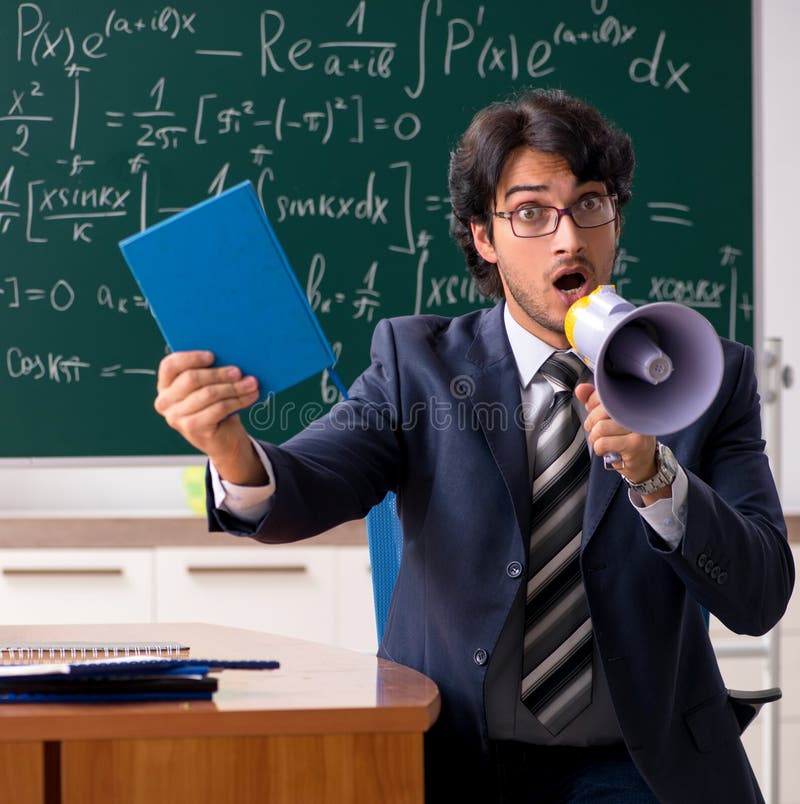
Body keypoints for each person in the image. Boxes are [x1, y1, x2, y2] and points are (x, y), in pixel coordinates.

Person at [153, 88, 794, 803]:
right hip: (456, 761)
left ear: (616, 219)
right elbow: (310, 482)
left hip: (640, 767)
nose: (568, 238)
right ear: (483, 236)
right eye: (529, 212)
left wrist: (656, 477)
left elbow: (760, 594)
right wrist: (230, 448)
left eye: (589, 203)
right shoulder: (417, 363)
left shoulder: (705, 373)